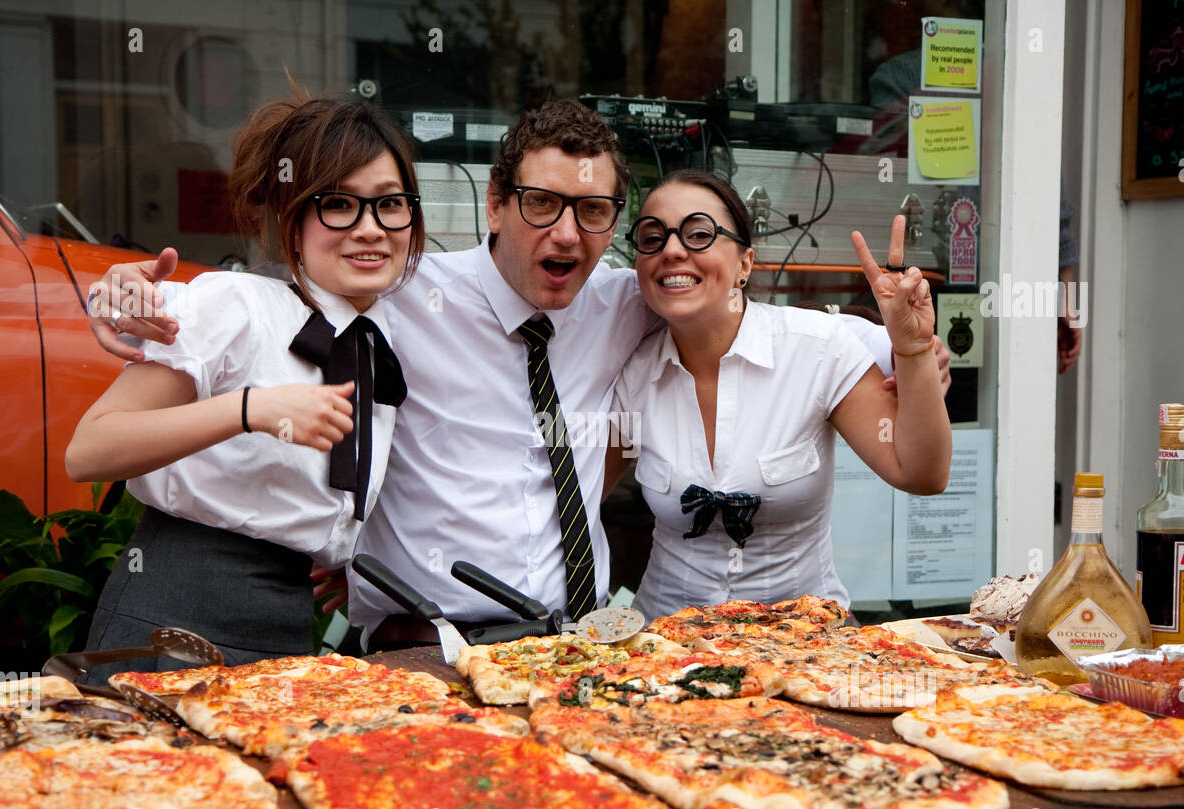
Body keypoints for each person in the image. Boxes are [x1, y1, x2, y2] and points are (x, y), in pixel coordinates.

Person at [91, 101, 950, 645]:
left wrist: (913, 349)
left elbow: (748, 315)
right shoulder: (398, 286)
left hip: (564, 641)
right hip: (421, 640)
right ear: (495, 204)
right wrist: (118, 292)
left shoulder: (631, 295)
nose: (566, 236)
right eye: (541, 205)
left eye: (593, 212)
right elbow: (274, 301)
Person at [66, 91, 424, 671]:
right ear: (291, 215)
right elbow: (89, 450)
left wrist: (329, 534)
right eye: (339, 204)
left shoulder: (376, 335)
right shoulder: (238, 304)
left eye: (390, 205)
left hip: (285, 620)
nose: (371, 229)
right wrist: (252, 409)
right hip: (173, 610)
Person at [609, 169, 950, 617]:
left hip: (804, 646)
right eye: (653, 238)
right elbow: (583, 495)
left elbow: (921, 473)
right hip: (666, 648)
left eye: (698, 234)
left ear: (745, 265)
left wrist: (913, 348)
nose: (672, 250)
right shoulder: (632, 373)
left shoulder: (816, 349)